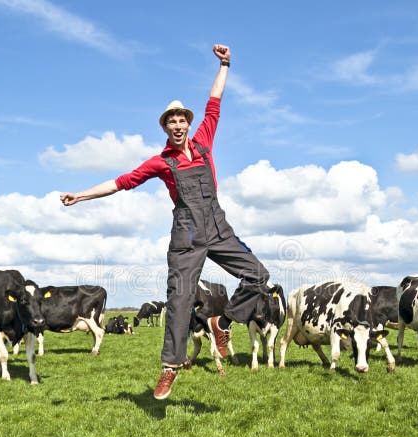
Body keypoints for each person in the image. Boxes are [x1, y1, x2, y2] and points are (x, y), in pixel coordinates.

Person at [60, 44, 270, 400]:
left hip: (218, 226)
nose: (177, 124)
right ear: (165, 127)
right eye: (171, 120)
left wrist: (225, 64)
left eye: (181, 119)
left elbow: (214, 103)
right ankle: (170, 368)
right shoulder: (160, 162)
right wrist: (81, 195)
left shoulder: (204, 142)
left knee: (259, 276)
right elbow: (122, 181)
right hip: (186, 235)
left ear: (188, 123)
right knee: (180, 300)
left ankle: (223, 321)